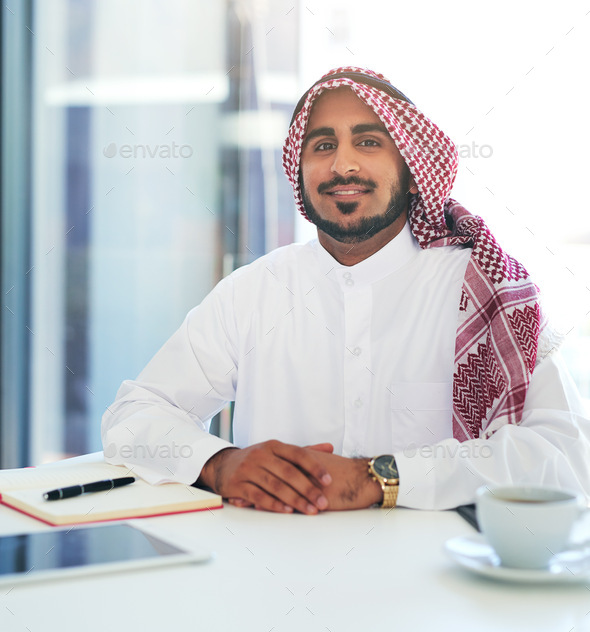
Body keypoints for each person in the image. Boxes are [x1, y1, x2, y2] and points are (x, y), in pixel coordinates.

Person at [101, 67, 590, 514]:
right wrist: (219, 463)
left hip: (439, 594)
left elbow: (564, 456)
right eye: (322, 146)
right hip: (267, 580)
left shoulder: (484, 293)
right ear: (301, 173)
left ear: (413, 171)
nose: (343, 165)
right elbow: (135, 414)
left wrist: (380, 479)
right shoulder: (254, 292)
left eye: (369, 142)